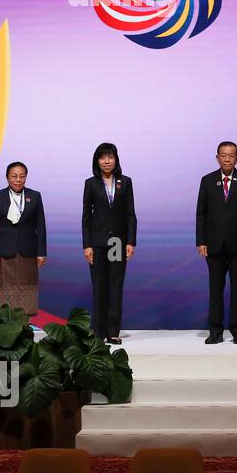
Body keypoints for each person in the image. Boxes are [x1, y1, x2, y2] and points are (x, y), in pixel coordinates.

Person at [195, 141, 237, 344]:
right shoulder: (207, 181)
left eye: (231, 155)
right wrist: (201, 240)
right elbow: (201, 214)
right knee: (215, 289)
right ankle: (215, 331)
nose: (227, 158)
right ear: (217, 157)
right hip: (213, 244)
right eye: (223, 155)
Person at [82, 142, 137, 344]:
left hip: (117, 242)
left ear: (116, 159)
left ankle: (113, 331)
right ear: (97, 160)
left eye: (110, 157)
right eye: (103, 157)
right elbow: (86, 216)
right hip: (97, 243)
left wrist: (130, 241)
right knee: (99, 286)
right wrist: (86, 245)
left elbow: (131, 215)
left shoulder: (126, 182)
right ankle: (98, 332)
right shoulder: (91, 183)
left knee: (115, 285)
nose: (107, 161)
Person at [0, 162, 47, 316]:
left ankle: (25, 328)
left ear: (26, 177)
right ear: (7, 177)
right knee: (7, 289)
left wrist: (41, 252)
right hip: (5, 252)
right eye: (14, 176)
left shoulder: (35, 196)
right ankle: (8, 327)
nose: (18, 180)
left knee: (28, 289)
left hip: (29, 252)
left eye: (22, 176)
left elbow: (41, 226)